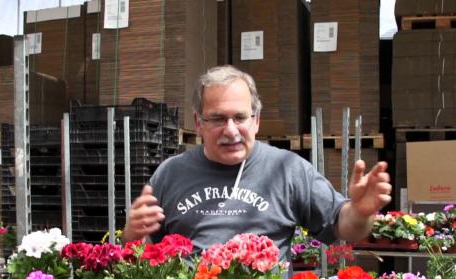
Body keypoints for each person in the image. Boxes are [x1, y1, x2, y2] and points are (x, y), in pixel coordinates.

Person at [122, 65, 391, 258]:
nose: (230, 130)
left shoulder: (287, 170)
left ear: (257, 120)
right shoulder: (171, 174)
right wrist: (132, 234)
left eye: (240, 117)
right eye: (217, 118)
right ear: (198, 124)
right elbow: (140, 252)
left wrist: (361, 211)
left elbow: (346, 228)